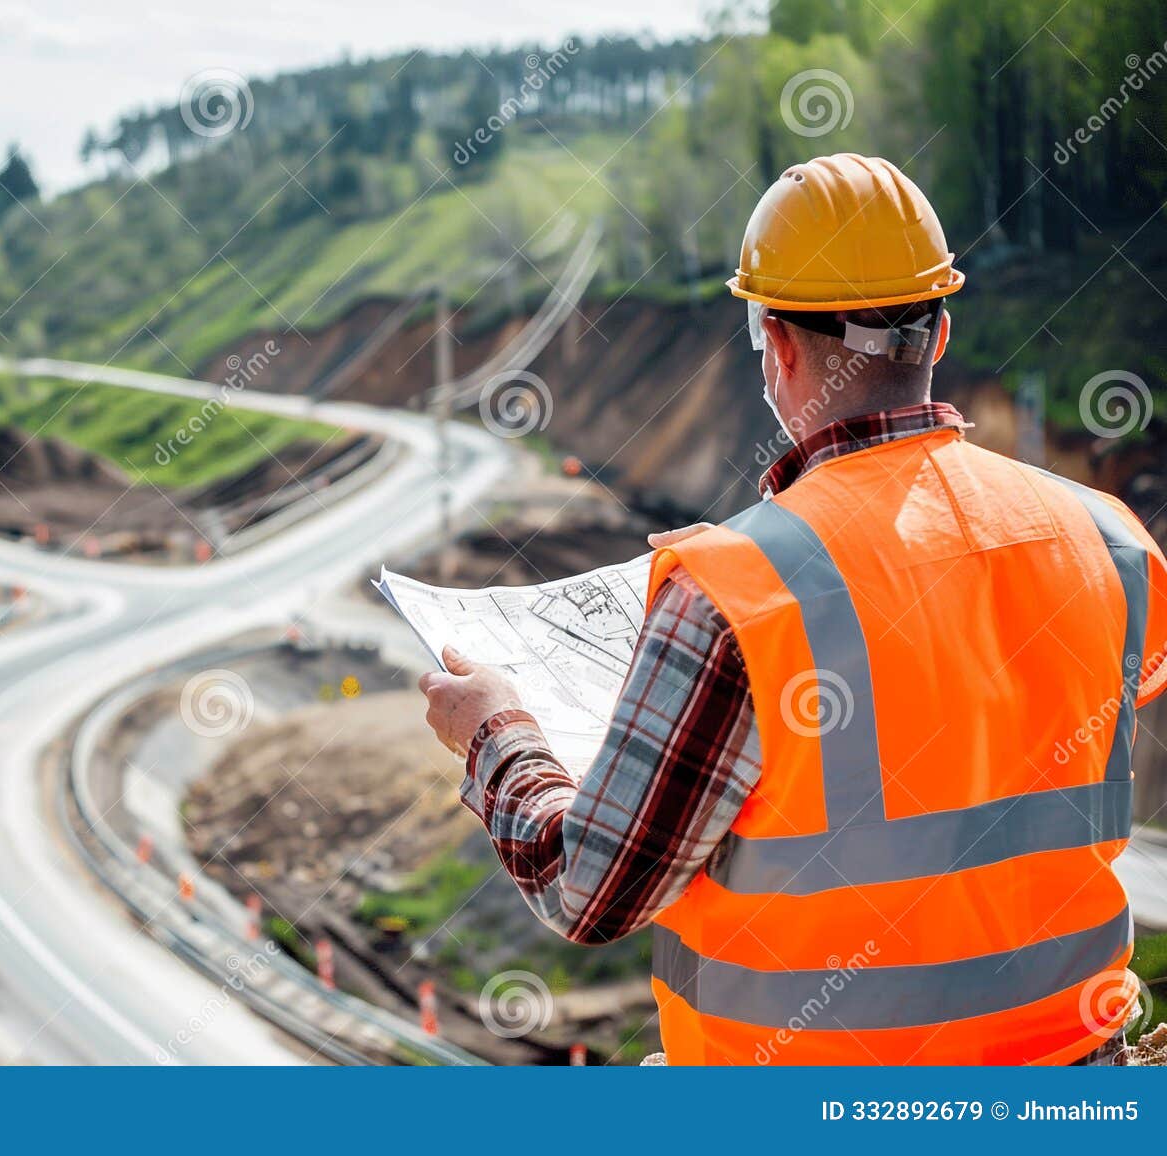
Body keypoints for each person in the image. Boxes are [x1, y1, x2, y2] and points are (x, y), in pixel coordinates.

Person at [418, 153, 1167, 1065]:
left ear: (777, 344)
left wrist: (495, 732)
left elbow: (588, 890)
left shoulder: (737, 595)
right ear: (938, 330)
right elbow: (978, 692)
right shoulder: (1111, 540)